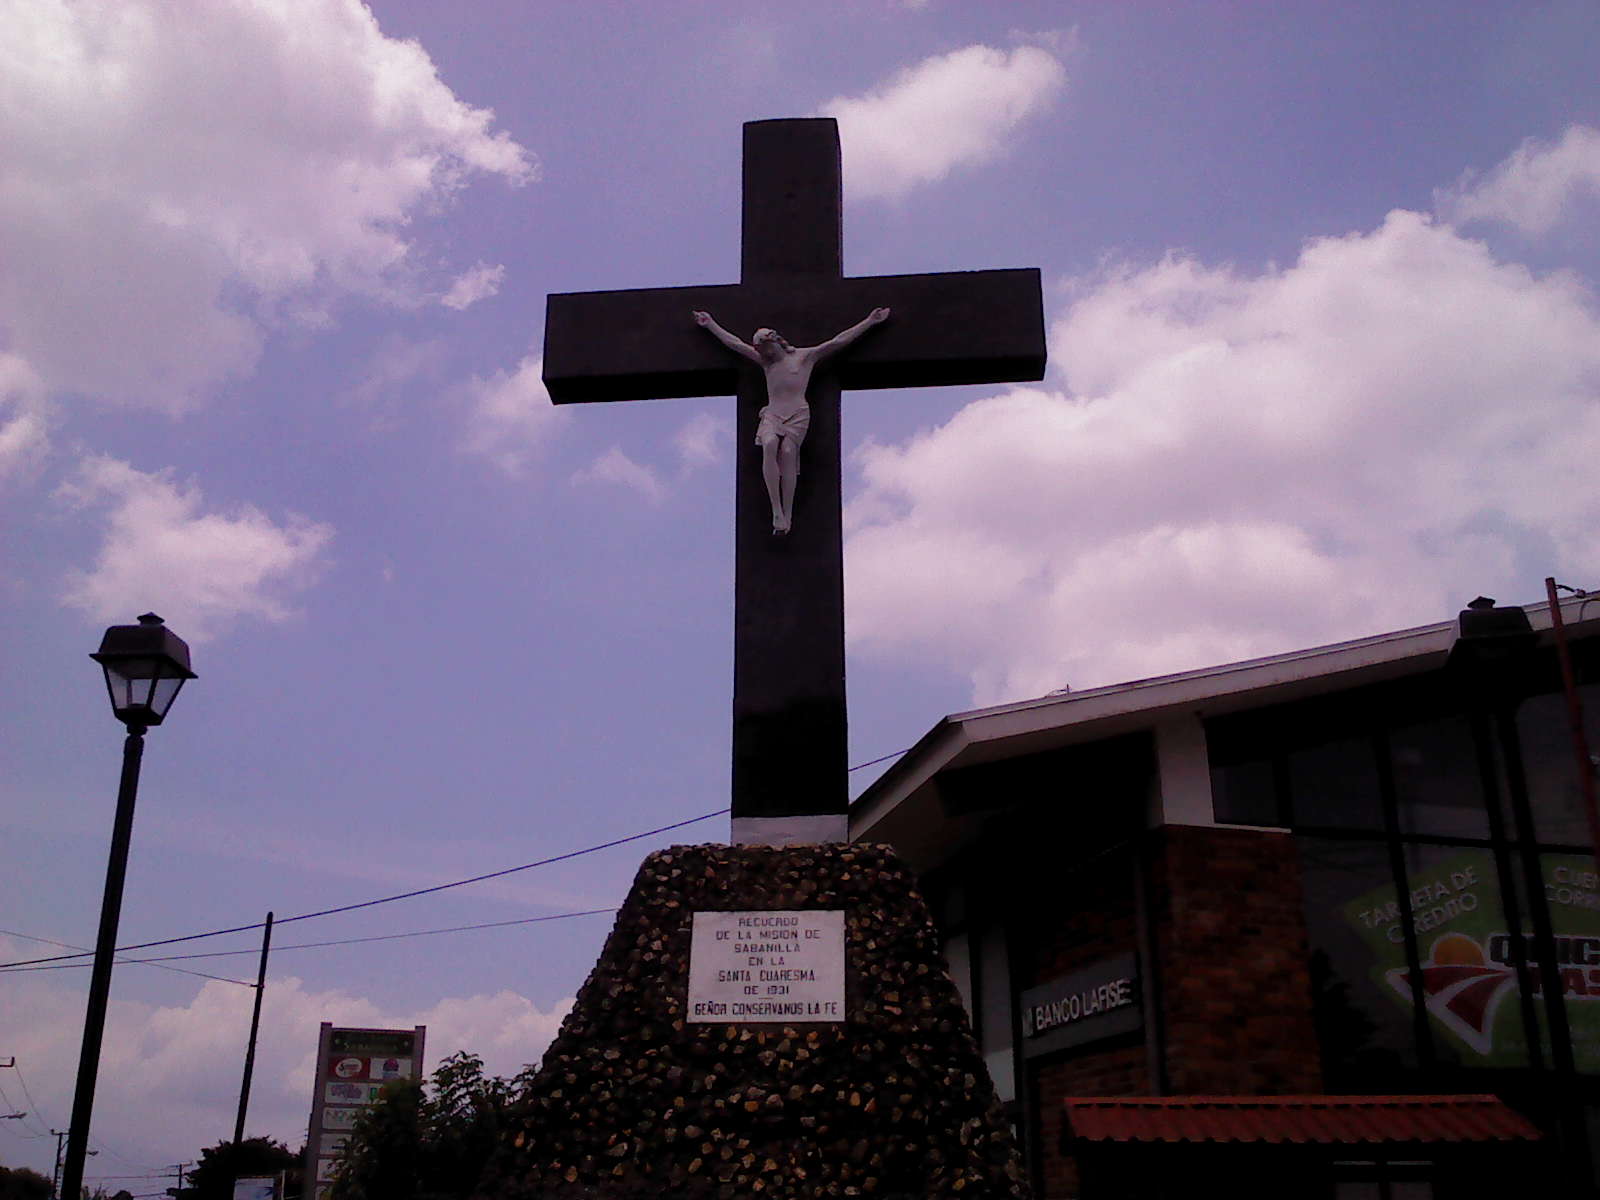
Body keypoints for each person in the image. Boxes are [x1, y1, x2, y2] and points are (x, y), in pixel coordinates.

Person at [692, 307, 889, 534]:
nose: (766, 354)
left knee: (787, 453)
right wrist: (710, 324)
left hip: (797, 413)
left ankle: (788, 514)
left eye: (767, 348)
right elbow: (734, 343)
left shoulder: (805, 356)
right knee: (769, 444)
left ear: (775, 341)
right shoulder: (766, 363)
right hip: (773, 413)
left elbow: (838, 342)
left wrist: (869, 321)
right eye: (762, 351)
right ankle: (776, 510)